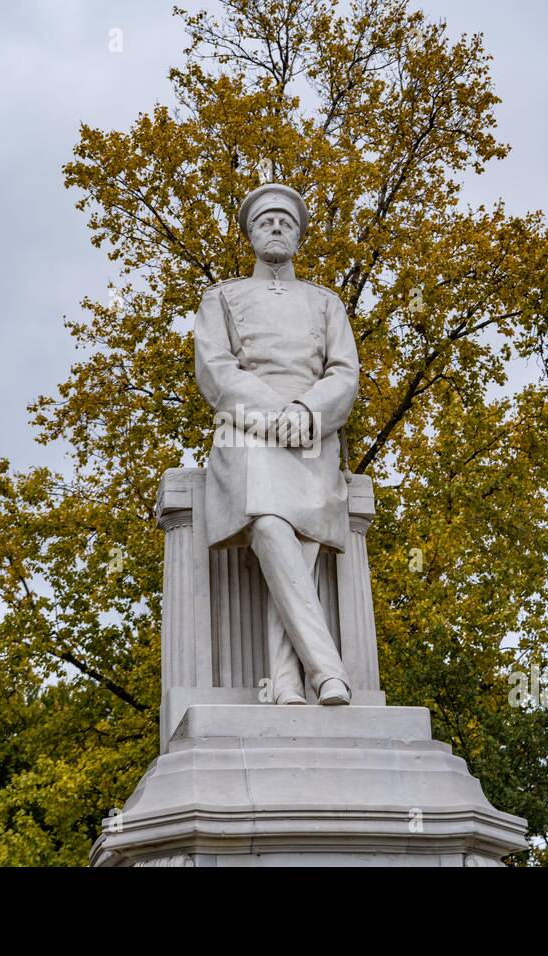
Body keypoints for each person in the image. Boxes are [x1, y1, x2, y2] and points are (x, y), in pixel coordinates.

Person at [193, 182, 358, 706]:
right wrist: (273, 416)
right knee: (269, 526)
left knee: (301, 548)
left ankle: (286, 687)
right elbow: (215, 371)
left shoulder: (326, 303)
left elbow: (345, 373)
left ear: (300, 234)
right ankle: (327, 669)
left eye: (286, 220)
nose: (277, 226)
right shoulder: (220, 298)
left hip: (314, 433)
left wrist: (307, 413)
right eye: (266, 220)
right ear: (249, 233)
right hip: (246, 431)